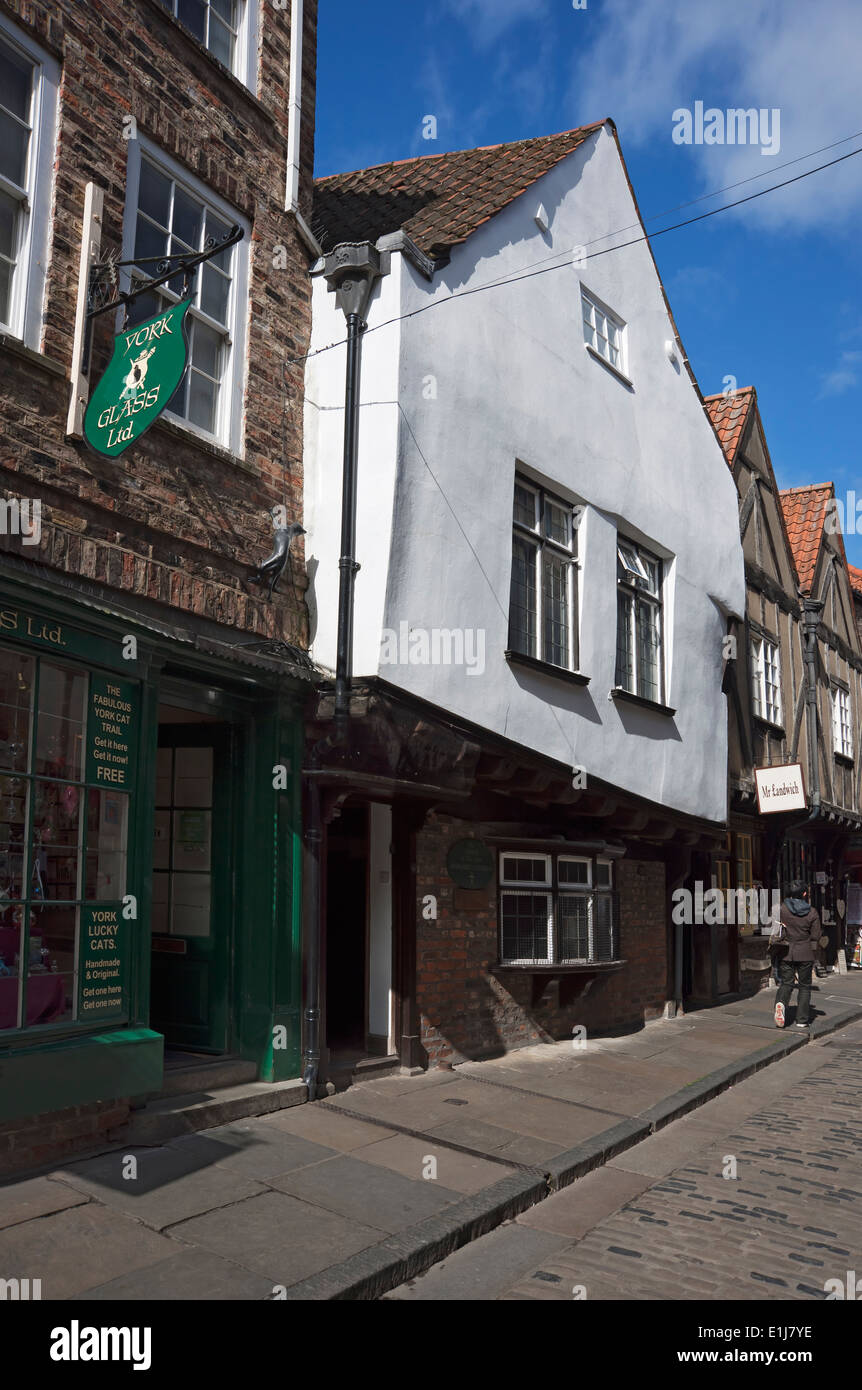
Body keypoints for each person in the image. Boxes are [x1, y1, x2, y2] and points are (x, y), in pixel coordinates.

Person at [774, 880, 822, 1030]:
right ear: (805, 894)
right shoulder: (812, 912)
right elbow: (815, 936)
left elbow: (773, 927)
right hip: (805, 953)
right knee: (805, 987)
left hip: (786, 952)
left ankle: (781, 1003)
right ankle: (801, 1020)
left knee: (786, 983)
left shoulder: (781, 909)